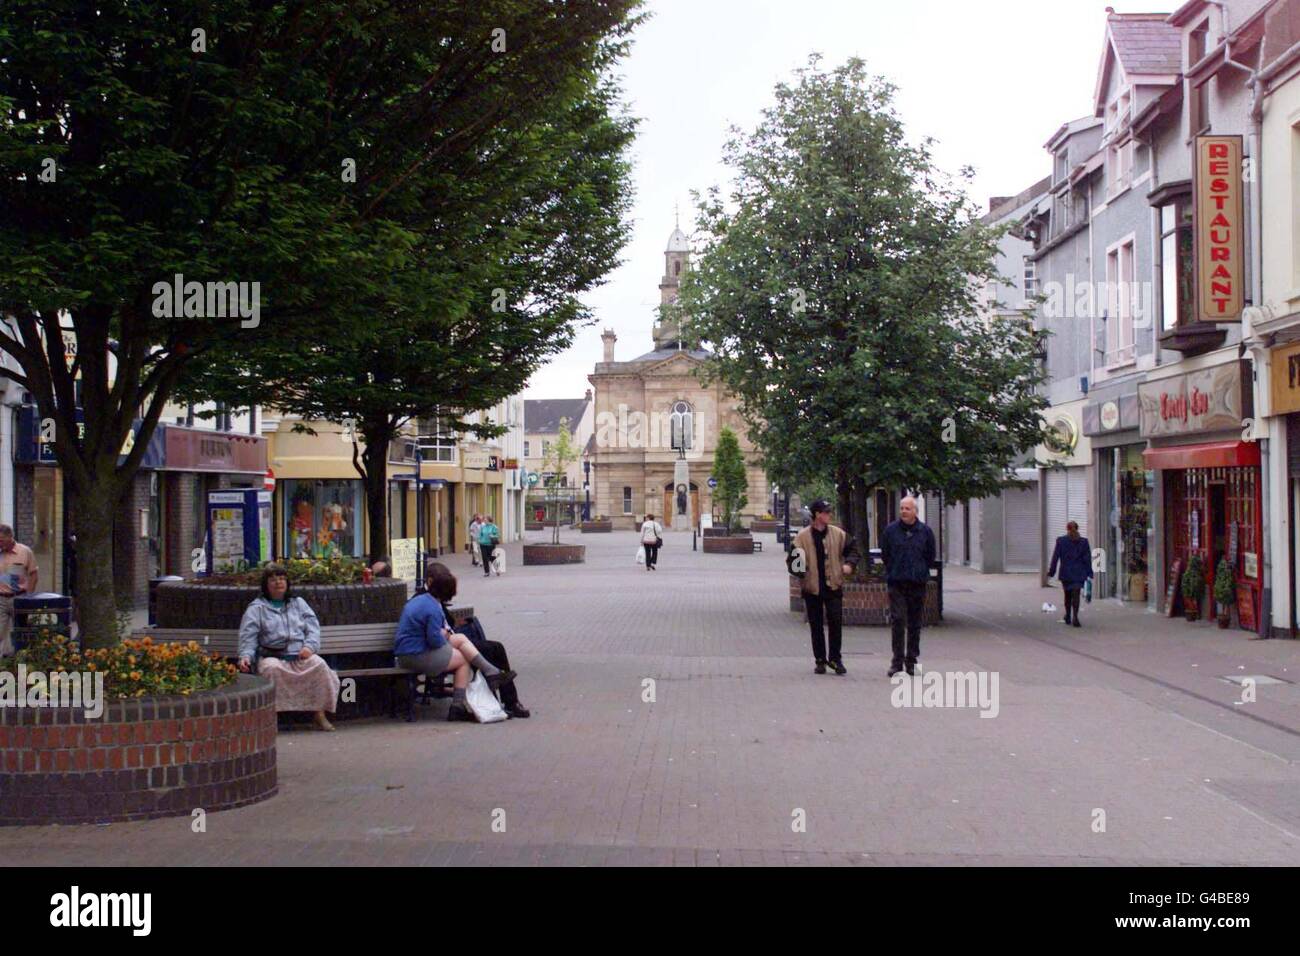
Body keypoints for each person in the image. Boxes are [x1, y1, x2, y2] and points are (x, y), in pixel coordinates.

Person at [394, 563, 518, 722]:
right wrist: (444, 635)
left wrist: (444, 635)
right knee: (463, 659)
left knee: (460, 639)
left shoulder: (421, 600)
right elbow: (434, 641)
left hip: (409, 650)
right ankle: (457, 706)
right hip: (416, 655)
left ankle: (491, 671)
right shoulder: (433, 608)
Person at [238, 564, 340, 731]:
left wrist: (309, 647)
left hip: (299, 655)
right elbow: (248, 636)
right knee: (271, 669)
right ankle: (271, 717)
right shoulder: (257, 608)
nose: (278, 582)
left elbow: (313, 629)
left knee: (319, 665)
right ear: (266, 585)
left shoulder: (298, 603)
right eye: (273, 580)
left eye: (282, 578)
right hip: (272, 655)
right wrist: (245, 656)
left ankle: (319, 714)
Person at [425, 562, 530, 719]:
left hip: (452, 638)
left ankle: (507, 698)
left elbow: (445, 621)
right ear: (431, 581)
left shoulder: (434, 595)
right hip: (445, 645)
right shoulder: (426, 599)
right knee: (492, 650)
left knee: (493, 645)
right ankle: (506, 699)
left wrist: (457, 623)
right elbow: (434, 631)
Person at [788, 500, 861, 675]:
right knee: (816, 626)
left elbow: (853, 549)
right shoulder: (802, 537)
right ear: (817, 515)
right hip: (812, 588)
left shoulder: (838, 534)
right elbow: (792, 561)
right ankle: (820, 660)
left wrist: (850, 564)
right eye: (826, 512)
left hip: (833, 586)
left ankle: (835, 659)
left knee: (835, 623)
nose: (829, 515)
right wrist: (801, 571)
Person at [880, 495, 936, 677]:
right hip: (897, 582)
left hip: (917, 583)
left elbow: (930, 556)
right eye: (902, 508)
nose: (904, 511)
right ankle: (897, 662)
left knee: (914, 623)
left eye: (907, 508)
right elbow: (886, 554)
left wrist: (920, 571)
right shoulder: (890, 531)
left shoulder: (925, 532)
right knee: (898, 620)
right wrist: (894, 570)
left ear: (915, 511)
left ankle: (911, 661)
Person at [0, 524, 38, 658]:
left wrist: (29, 597)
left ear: (10, 537)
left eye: (1, 540)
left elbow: (33, 574)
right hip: (1, 598)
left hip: (19, 597)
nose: (0, 543)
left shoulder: (25, 552)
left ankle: (21, 663)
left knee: (20, 633)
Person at [1048, 520, 1093, 627]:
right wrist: (1089, 573)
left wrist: (1052, 572)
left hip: (1066, 573)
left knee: (1067, 595)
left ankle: (1068, 615)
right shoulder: (1084, 542)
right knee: (1076, 594)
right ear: (1077, 528)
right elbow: (1087, 559)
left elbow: (1055, 558)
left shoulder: (1061, 541)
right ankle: (1075, 617)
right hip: (1079, 572)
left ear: (1067, 529)